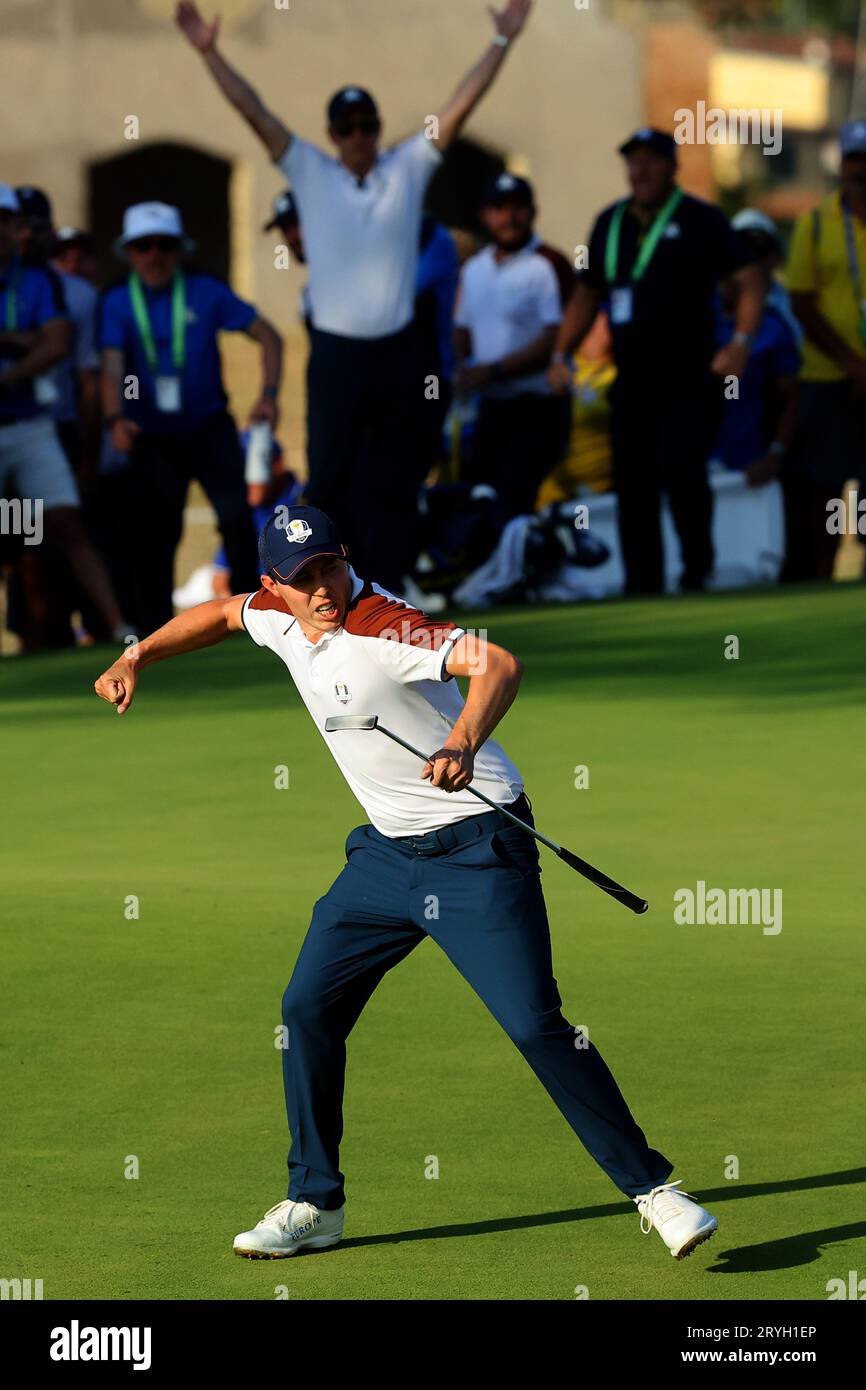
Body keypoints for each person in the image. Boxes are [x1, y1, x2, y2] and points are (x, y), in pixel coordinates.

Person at [93, 502, 719, 1264]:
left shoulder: (385, 623)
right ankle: (314, 1203)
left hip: (478, 851)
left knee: (533, 1023)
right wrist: (135, 657)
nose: (324, 586)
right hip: (386, 862)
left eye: (331, 565)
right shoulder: (275, 615)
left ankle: (655, 1192)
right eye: (304, 577)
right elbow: (223, 614)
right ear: (276, 585)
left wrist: (462, 739)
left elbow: (498, 664)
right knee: (306, 1009)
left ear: (345, 557)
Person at [174, 0, 533, 594]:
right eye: (347, 128)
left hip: (397, 355)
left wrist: (501, 42)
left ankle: (385, 600)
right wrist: (211, 53)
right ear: (333, 135)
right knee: (331, 480)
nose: (359, 136)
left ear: (377, 127)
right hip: (338, 356)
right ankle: (316, 594)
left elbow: (461, 106)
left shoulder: (407, 168)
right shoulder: (311, 172)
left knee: (391, 483)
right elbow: (252, 111)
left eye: (368, 125)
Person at [550, 128, 765, 595]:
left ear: (672, 166)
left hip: (690, 377)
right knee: (634, 487)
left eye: (651, 161)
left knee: (685, 475)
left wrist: (742, 341)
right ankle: (642, 585)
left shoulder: (700, 219)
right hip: (632, 380)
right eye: (633, 162)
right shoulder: (611, 222)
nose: (640, 171)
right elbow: (588, 293)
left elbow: (750, 278)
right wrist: (560, 352)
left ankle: (696, 573)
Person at [98, 200, 283, 635]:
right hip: (151, 435)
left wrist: (270, 396)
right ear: (129, 252)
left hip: (208, 427)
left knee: (238, 518)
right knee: (158, 535)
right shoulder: (118, 300)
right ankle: (156, 633)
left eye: (164, 245)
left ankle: (251, 619)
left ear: (180, 249)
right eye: (144, 246)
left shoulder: (205, 290)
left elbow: (270, 336)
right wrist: (114, 418)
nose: (154, 255)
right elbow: (110, 361)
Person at [0, 183, 130, 646]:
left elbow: (59, 348)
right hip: (27, 424)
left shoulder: (45, 282)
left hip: (44, 425)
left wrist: (13, 355)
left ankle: (113, 627)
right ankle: (32, 636)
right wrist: (23, 340)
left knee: (60, 531)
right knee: (20, 543)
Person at [454, 173, 574, 527]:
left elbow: (556, 336)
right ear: (485, 215)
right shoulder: (475, 269)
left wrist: (493, 370)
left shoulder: (549, 263)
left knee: (516, 495)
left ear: (532, 212)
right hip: (493, 406)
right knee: (480, 495)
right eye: (499, 208)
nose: (509, 217)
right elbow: (463, 331)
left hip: (539, 404)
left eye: (517, 208)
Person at [786, 119, 866, 578]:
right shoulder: (815, 224)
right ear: (842, 164)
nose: (861, 168)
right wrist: (853, 364)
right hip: (828, 376)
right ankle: (822, 579)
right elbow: (802, 302)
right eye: (855, 158)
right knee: (827, 487)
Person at [709, 210, 800, 487]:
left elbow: (793, 397)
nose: (751, 262)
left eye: (759, 251)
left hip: (751, 472)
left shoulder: (777, 321)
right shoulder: (696, 314)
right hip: (697, 469)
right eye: (740, 251)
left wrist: (774, 455)